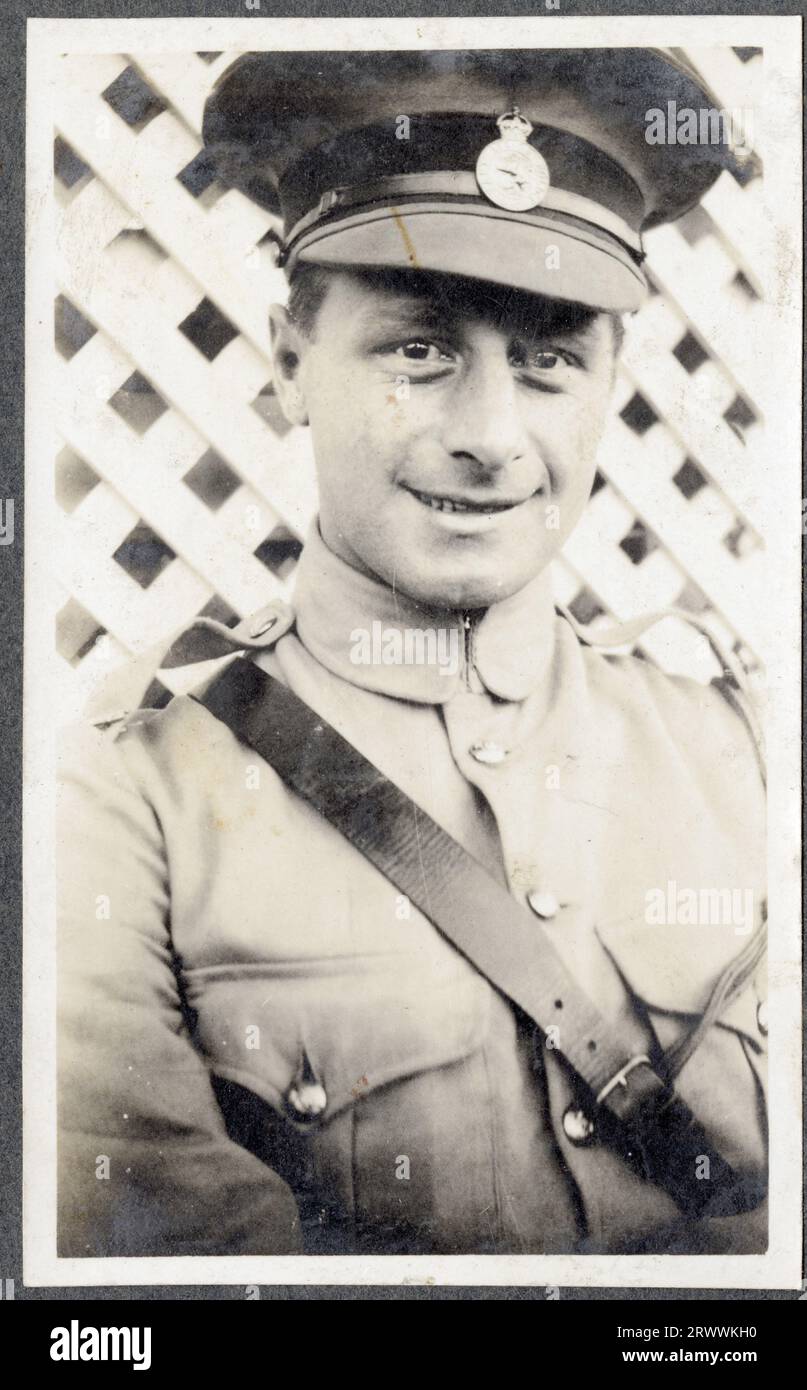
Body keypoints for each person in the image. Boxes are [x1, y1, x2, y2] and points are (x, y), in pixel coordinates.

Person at [57, 48, 767, 1259]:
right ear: (291, 364)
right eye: (419, 352)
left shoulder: (738, 744)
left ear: (610, 385)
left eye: (551, 359)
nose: (493, 438)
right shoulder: (123, 801)